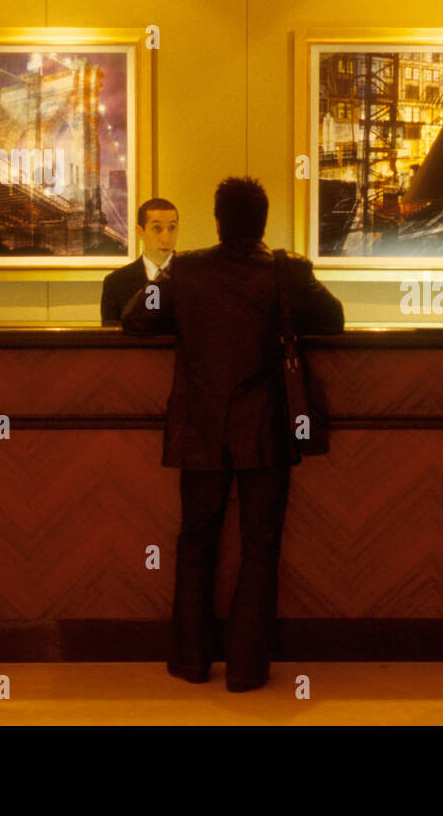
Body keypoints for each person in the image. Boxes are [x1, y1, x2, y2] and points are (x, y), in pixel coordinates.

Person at [121, 176, 344, 692]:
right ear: (262, 222)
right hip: (265, 429)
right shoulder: (285, 272)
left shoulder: (189, 269)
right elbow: (333, 319)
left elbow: (136, 319)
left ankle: (191, 660)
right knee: (260, 548)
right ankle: (246, 669)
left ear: (218, 221)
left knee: (195, 543)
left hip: (200, 428)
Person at [101, 198, 179, 324]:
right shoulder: (116, 283)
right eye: (157, 228)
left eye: (172, 227)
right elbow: (111, 338)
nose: (166, 239)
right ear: (140, 231)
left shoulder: (192, 279)